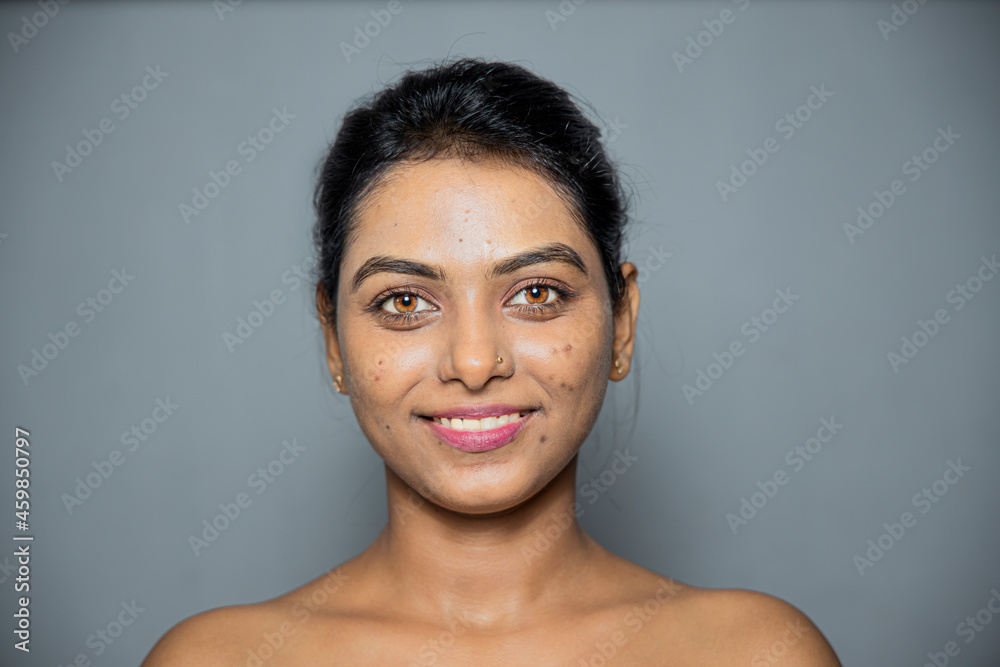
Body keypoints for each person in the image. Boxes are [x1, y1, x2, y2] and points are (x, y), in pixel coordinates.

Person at [143, 57, 841, 666]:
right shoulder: (214, 659)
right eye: (406, 301)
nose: (474, 362)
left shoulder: (756, 653)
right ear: (333, 338)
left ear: (621, 319)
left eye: (537, 292)